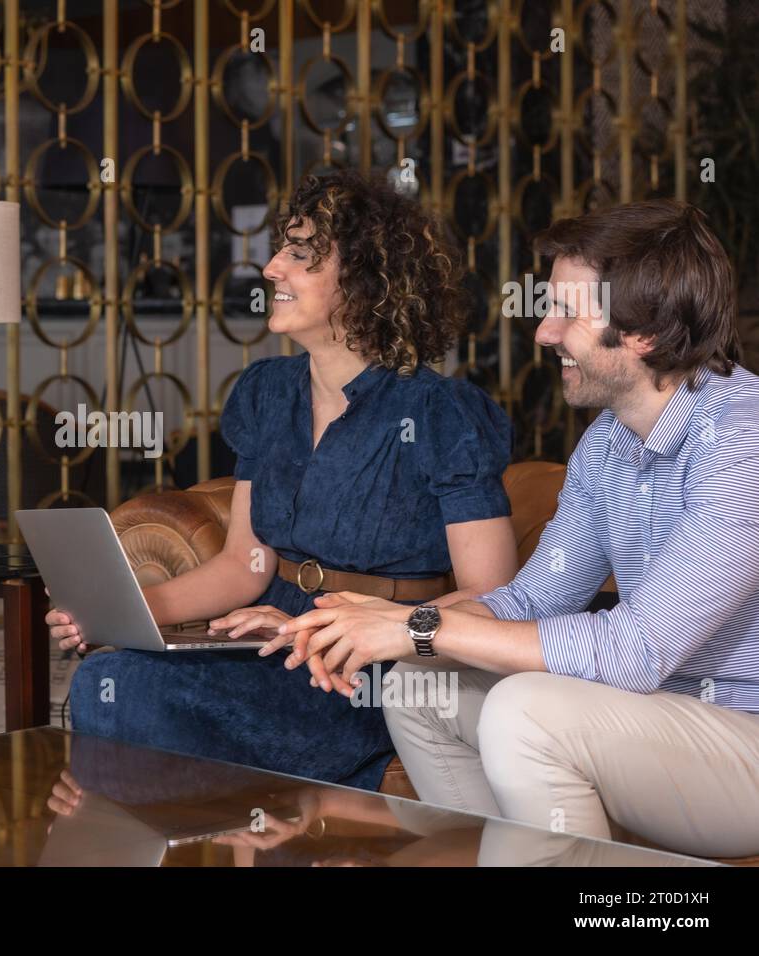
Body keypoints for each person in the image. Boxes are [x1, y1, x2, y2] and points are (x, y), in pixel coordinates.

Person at [278, 199, 759, 859]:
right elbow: (528, 602)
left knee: (521, 711)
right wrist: (372, 625)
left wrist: (423, 627)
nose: (542, 331)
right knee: (421, 685)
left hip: (744, 738)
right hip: (659, 725)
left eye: (565, 309)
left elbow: (638, 650)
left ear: (643, 331)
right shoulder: (607, 445)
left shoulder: (742, 442)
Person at [47, 169, 519, 789]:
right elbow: (243, 563)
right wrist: (125, 615)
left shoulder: (441, 413)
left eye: (300, 257)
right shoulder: (267, 395)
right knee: (109, 677)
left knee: (132, 695)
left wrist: (347, 628)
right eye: (281, 252)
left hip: (374, 662)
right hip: (272, 636)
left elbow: (495, 598)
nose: (271, 269)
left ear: (365, 282)